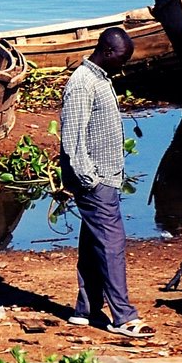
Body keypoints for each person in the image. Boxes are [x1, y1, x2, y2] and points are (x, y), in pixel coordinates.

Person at [58, 27, 152, 337]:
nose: (123, 65)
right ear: (107, 52)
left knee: (93, 243)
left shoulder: (100, 78)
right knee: (112, 244)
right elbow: (72, 140)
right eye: (121, 59)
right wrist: (90, 179)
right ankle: (123, 317)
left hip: (105, 177)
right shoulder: (82, 83)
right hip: (94, 180)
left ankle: (85, 310)